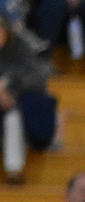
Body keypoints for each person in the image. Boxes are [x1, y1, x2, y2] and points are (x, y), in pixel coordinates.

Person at [0, 19, 54, 183]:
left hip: (13, 105)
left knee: (14, 118)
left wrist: (10, 91)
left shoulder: (20, 48)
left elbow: (38, 77)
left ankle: (14, 170)